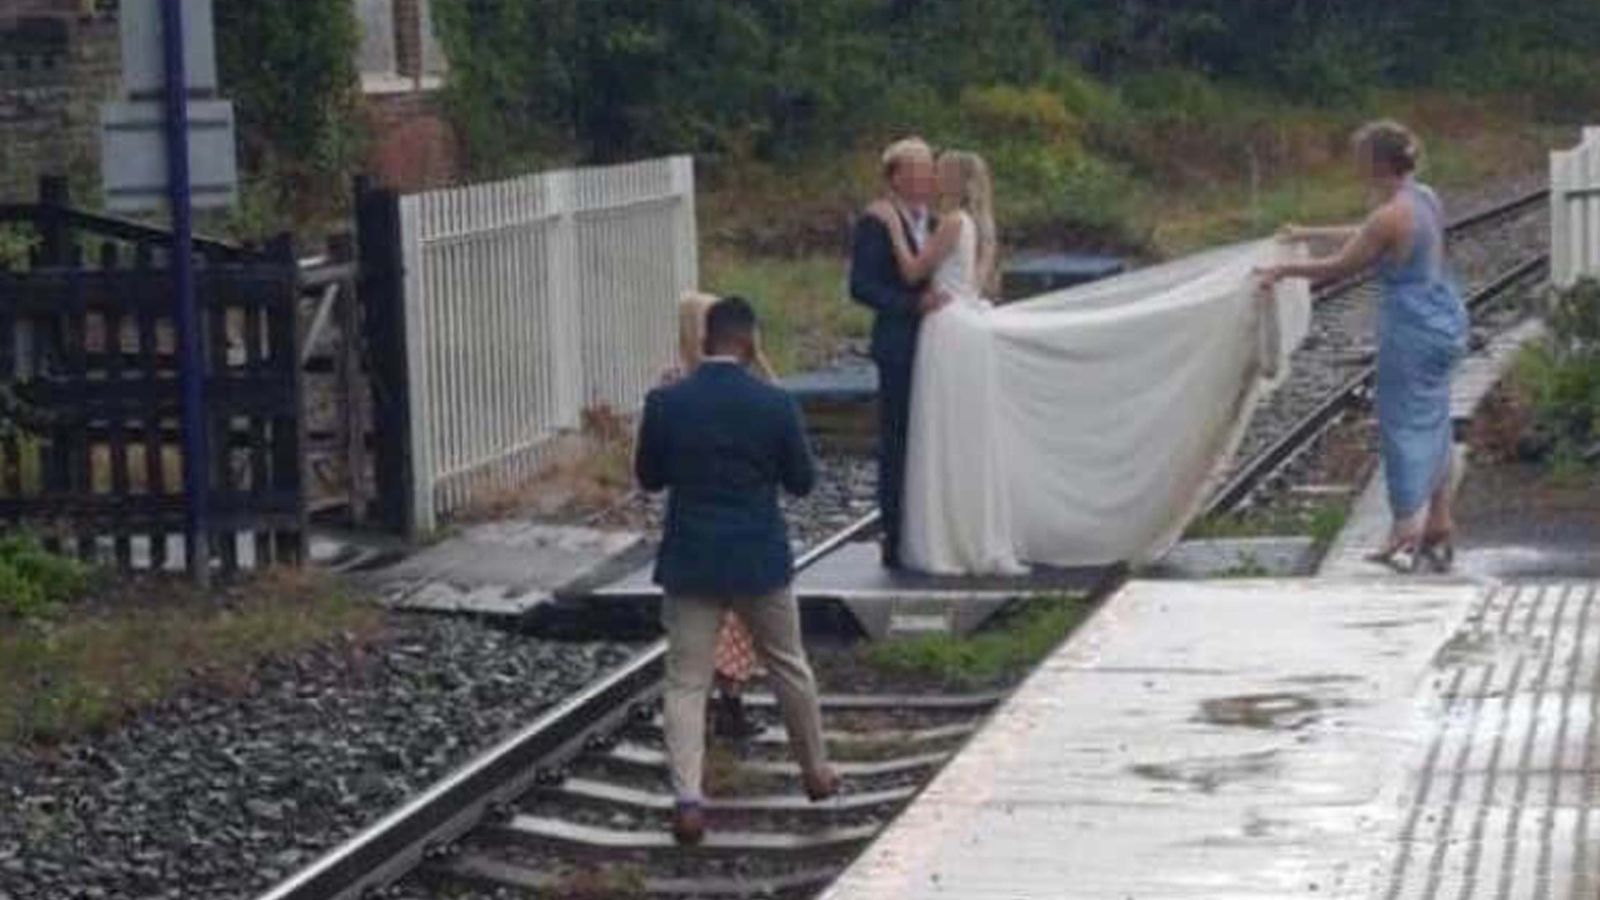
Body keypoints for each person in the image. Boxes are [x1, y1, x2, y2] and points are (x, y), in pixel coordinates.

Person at [635, 296, 839, 846]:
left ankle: (689, 800)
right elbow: (801, 482)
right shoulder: (774, 405)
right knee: (788, 665)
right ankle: (816, 773)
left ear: (705, 341)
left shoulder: (666, 402)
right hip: (759, 559)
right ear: (750, 342)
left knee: (685, 681)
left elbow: (650, 477)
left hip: (692, 559)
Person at [1260, 120, 1466, 572]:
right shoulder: (1424, 198)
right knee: (1434, 420)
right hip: (1445, 318)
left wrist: (1283, 272)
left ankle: (1403, 527)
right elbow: (1366, 234)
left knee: (1402, 425)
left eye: (1361, 158)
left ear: (1376, 162)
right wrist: (1308, 232)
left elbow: (1342, 264)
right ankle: (1439, 520)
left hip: (1411, 329)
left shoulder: (1389, 216)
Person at [865, 150, 1023, 575]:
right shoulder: (974, 225)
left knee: (939, 432)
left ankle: (941, 535)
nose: (932, 177)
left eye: (940, 172)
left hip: (944, 329)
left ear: (955, 180)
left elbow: (916, 272)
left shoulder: (951, 222)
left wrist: (894, 226)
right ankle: (960, 530)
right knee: (956, 434)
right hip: (963, 321)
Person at [666, 292, 773, 740]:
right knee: (737, 622)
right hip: (745, 527)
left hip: (692, 528)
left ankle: (718, 702)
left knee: (703, 627)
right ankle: (730, 699)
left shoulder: (673, 390)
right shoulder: (753, 386)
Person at [848, 137, 950, 569]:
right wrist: (909, 305)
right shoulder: (877, 222)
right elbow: (862, 285)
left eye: (929, 170)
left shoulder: (941, 221)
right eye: (916, 171)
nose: (926, 179)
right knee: (899, 436)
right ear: (896, 177)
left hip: (944, 343)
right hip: (900, 343)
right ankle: (896, 530)